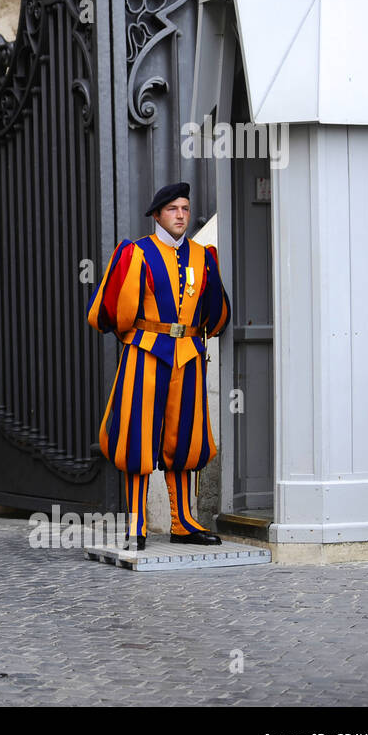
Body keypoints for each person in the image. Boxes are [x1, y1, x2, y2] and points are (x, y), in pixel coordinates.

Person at [85, 182, 231, 550]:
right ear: (157, 215)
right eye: (173, 209)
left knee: (185, 439)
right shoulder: (136, 253)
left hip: (189, 355)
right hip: (146, 353)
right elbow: (110, 311)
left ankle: (183, 522)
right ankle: (137, 526)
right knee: (138, 437)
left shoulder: (203, 255)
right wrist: (141, 336)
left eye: (185, 208)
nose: (181, 215)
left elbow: (216, 312)